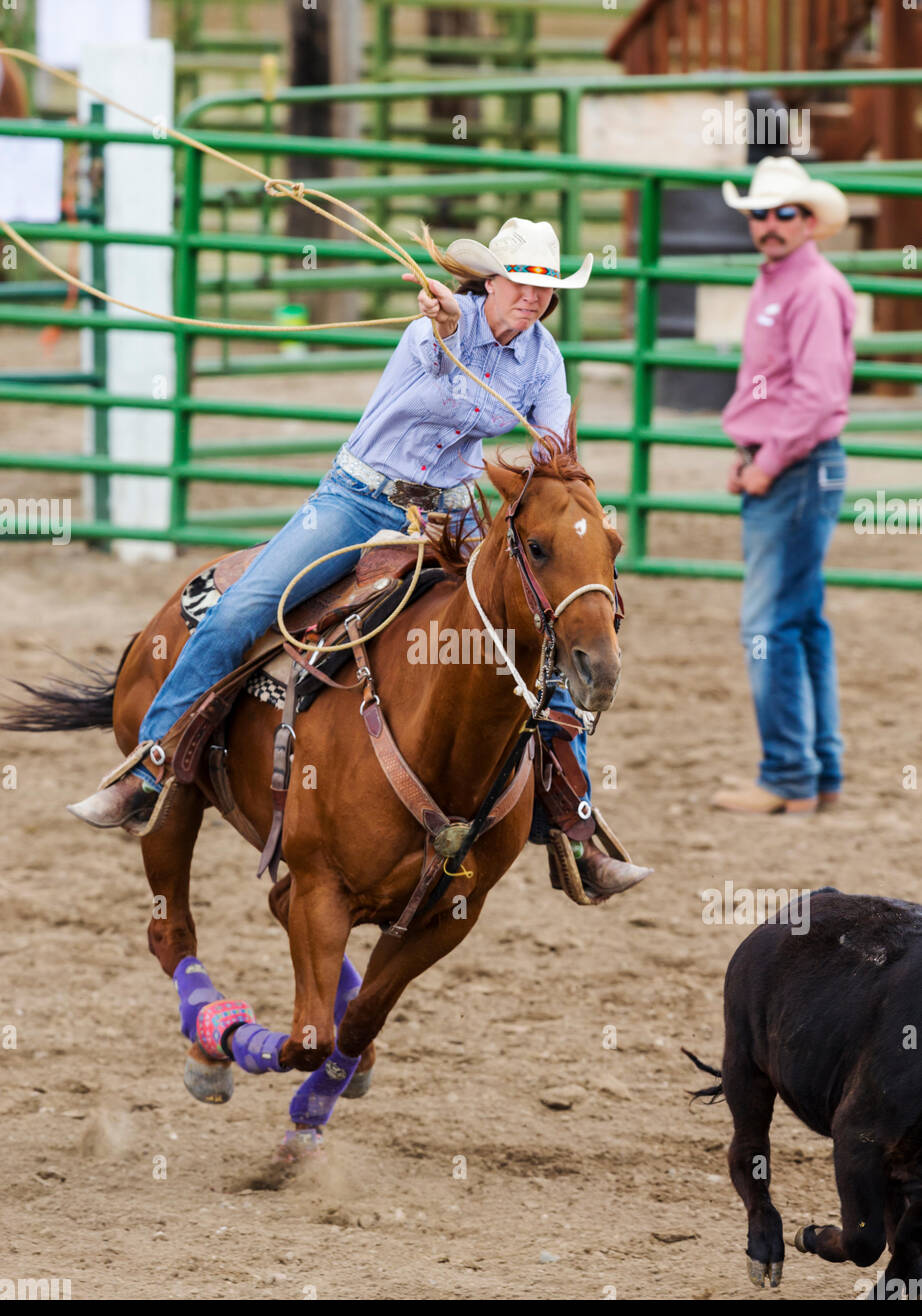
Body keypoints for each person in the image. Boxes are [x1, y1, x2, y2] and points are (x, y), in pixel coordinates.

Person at [69, 217, 651, 897]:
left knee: (542, 636)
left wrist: (560, 483)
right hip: (361, 499)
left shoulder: (544, 358)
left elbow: (553, 450)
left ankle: (573, 832)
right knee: (246, 608)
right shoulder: (437, 327)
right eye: (520, 282)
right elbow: (437, 343)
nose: (532, 297)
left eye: (544, 289)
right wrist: (441, 319)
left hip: (454, 507)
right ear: (490, 280)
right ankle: (151, 765)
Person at [712, 158, 856, 815]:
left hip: (794, 470)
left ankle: (788, 774)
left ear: (808, 221)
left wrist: (766, 460)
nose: (769, 224)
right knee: (799, 623)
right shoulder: (789, 281)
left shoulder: (809, 288)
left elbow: (818, 395)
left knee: (768, 624)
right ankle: (815, 772)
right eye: (760, 213)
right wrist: (756, 450)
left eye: (783, 213)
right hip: (793, 464)